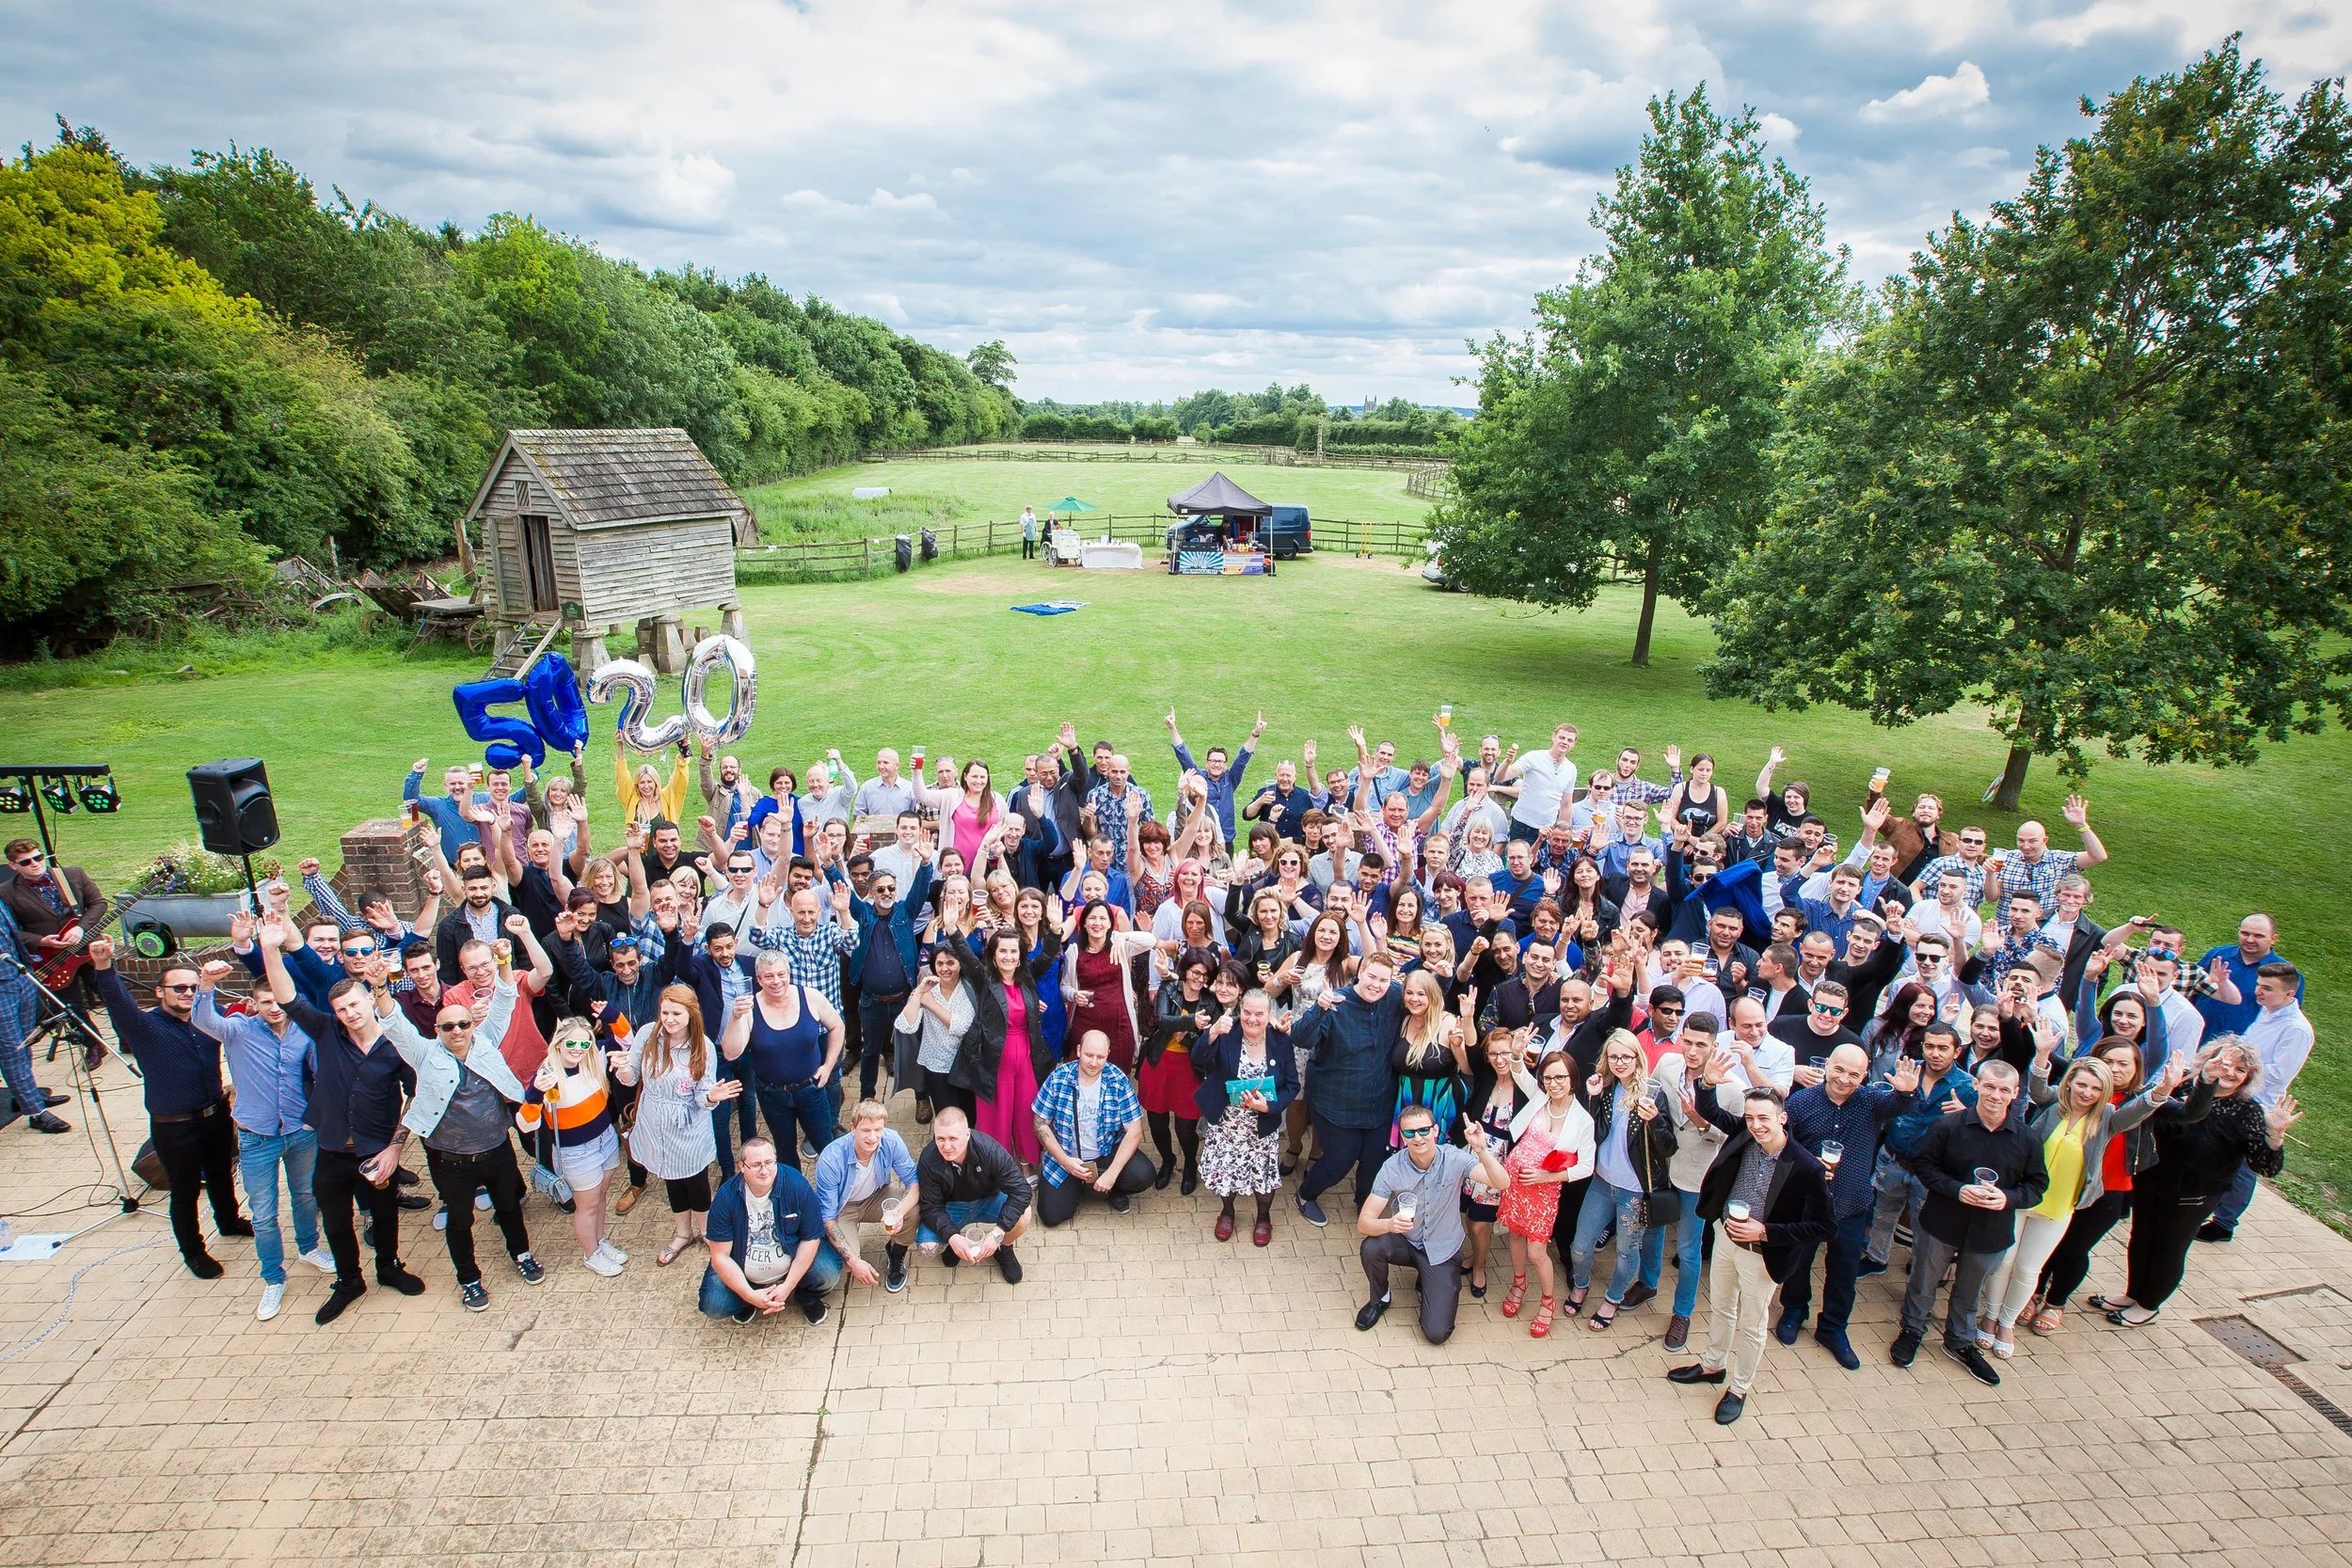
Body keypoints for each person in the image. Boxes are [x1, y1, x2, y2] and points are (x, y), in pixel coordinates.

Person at [252, 924, 428, 1323]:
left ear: (369, 998)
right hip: (331, 1150)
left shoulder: (397, 1042)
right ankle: (349, 1280)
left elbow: (416, 1095)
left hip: (377, 1151)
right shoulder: (327, 1030)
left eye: (354, 1005)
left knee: (384, 1216)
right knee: (335, 1221)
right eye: (342, 1010)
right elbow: (287, 997)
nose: (349, 1014)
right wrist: (269, 949)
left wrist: (395, 1148)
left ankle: (389, 1267)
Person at [1976, 1047, 2186, 1355]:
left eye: (2096, 1088)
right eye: (2082, 1084)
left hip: (2058, 1208)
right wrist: (2044, 1052)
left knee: (2027, 1269)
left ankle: (2007, 1323)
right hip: (2022, 1198)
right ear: (2070, 1082)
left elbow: (2139, 1110)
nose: (2087, 1092)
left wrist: (2165, 1088)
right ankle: (1990, 1318)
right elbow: (2036, 1086)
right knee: (2003, 1262)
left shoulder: (2107, 1119)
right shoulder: (2053, 1104)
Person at [1667, 1078, 1835, 1425]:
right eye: (1750, 1118)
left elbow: (1824, 1227)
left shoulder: (1807, 1167)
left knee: (1753, 1323)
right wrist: (1707, 1083)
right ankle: (1714, 1365)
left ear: (1782, 1119)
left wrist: (1766, 1231)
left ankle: (1739, 1388)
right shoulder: (1745, 1135)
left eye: (1764, 1119)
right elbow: (1709, 1110)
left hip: (1761, 1253)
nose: (1756, 1125)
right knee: (1720, 1306)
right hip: (1725, 1237)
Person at [86, 939, 249, 1278]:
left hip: (214, 1114)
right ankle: (193, 1250)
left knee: (222, 1174)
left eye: (193, 987)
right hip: (175, 1125)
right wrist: (104, 966)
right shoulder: (145, 1027)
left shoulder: (205, 1021)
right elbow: (118, 1003)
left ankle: (229, 1221)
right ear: (160, 992)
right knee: (185, 1189)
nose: (187, 993)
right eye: (178, 988)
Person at [2106, 1038, 2295, 1326]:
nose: (2229, 1072)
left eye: (2240, 1069)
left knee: (2169, 1246)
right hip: (2153, 1178)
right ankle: (2133, 1294)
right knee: (2141, 1237)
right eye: (2224, 1063)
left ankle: (2149, 1305)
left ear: (2249, 1077)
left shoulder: (2247, 1111)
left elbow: (2264, 1166)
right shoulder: (2184, 1087)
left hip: (2194, 1193)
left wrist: (2274, 1135)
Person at [1891, 1060, 2047, 1386]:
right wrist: (1958, 1190)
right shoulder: (1948, 1126)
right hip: (1943, 1219)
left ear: (2015, 1094)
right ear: (1976, 1085)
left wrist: (2008, 1198)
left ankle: (1959, 1341)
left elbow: (2037, 1185)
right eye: (1989, 1086)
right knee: (1923, 1280)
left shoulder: (2026, 1138)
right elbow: (1925, 1166)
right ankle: (1912, 1330)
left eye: (2004, 1090)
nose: (1995, 1095)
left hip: (1991, 1228)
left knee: (1970, 1290)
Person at [393, 990, 544, 1311]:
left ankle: (522, 1255)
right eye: (448, 1027)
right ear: (437, 1031)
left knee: (510, 1208)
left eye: (463, 1024)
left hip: (497, 1149)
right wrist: (379, 990)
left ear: (473, 1025)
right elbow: (396, 1026)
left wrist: (504, 962)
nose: (457, 1031)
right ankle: (469, 1279)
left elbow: (505, 1002)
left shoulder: (485, 1042)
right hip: (453, 1161)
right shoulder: (425, 1054)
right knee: (459, 1221)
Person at [1774, 1042, 1920, 1370]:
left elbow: (1901, 1105)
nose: (1844, 1079)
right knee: (1798, 1262)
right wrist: (1807, 1162)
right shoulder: (1801, 1102)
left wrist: (1909, 1092)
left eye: (1854, 1074)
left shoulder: (1870, 1102)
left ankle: (1833, 1328)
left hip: (1852, 1202)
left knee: (1843, 1272)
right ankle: (1794, 1310)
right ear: (1827, 1064)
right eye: (1839, 1069)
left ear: (1865, 1075)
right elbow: (1784, 1147)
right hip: (1807, 1202)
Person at [1354, 1103, 1511, 1343]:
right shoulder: (1392, 1168)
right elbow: (1364, 1223)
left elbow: (1502, 1182)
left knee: (1437, 1334)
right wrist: (1390, 1224)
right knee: (1371, 1247)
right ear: (1402, 1136)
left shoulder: (1455, 1158)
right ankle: (1381, 1298)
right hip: (1406, 1240)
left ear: (1436, 1131)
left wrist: (1480, 1149)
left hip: (1442, 1250)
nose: (1418, 1138)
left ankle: (1429, 1284)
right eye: (1409, 1133)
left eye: (1424, 1130)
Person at [615, 984, 738, 1269]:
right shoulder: (647, 1034)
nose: (669, 1019)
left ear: (690, 1014)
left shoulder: (703, 1046)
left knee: (695, 1180)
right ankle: (683, 1233)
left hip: (688, 1125)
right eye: (665, 1012)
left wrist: (711, 1097)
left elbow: (701, 1095)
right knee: (670, 1177)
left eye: (676, 1014)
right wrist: (622, 1068)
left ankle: (706, 1232)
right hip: (654, 1120)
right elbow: (632, 1076)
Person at [1565, 1029, 1677, 1331]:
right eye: (1613, 1057)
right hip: (1602, 1183)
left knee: (1627, 1251)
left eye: (1626, 1056)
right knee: (1580, 1245)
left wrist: (1654, 1121)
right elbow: (1593, 1133)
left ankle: (1613, 1298)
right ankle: (1581, 1283)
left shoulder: (1652, 1094)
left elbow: (1669, 1147)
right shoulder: (1607, 1088)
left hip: (1634, 1191)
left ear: (1637, 1058)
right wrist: (1592, 1097)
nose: (1620, 1062)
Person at [1289, 952, 1409, 1227]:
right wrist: (1318, 1009)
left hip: (1378, 1100)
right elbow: (1301, 1038)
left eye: (1383, 980)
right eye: (1371, 976)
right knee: (1339, 1161)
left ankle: (1364, 1204)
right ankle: (1305, 1195)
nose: (1376, 985)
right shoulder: (1336, 1002)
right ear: (1360, 973)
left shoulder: (1393, 996)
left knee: (1374, 1160)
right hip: (1335, 1100)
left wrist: (1447, 979)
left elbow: (1425, 1000)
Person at [2199, 960, 2312, 1243]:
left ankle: (2224, 1224)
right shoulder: (2268, 1011)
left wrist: (2239, 1065)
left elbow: (2279, 1073)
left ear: (2289, 995)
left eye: (2268, 989)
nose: (2259, 992)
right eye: (2259, 985)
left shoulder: (2296, 1029)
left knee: (2242, 1168)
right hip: (2235, 1094)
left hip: (2258, 1104)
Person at [516, 1020, 629, 1275]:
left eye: (584, 1042)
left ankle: (599, 1243)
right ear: (558, 1043)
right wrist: (534, 1095)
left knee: (600, 1196)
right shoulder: (548, 1076)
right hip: (576, 1151)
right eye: (571, 1042)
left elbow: (626, 1039)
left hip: (605, 1139)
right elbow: (525, 1124)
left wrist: (611, 1014)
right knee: (586, 1205)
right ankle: (591, 1254)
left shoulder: (593, 1059)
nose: (578, 1048)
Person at [1496, 1049, 1595, 1337]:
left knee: (1537, 1249)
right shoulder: (1541, 1098)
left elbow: (1587, 1166)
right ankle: (1518, 1282)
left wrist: (1546, 1175)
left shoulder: (1582, 1120)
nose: (1553, 1083)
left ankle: (1548, 1301)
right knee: (1514, 1233)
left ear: (1572, 1079)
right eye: (1548, 1078)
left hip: (1545, 1189)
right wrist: (1516, 1054)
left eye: (1560, 1077)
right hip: (1515, 1182)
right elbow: (1519, 1072)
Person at [1191, 992, 1299, 1244]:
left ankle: (1263, 1218)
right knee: (1226, 1173)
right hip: (1227, 1123)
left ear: (1269, 1015)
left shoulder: (1280, 1041)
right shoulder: (1227, 1032)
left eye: (1259, 1014)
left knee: (1263, 1178)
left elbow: (1292, 1085)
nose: (1252, 1019)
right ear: (1241, 1010)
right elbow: (1197, 1059)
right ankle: (1228, 1212)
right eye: (1247, 1012)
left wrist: (1270, 1107)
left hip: (1261, 1126)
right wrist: (1213, 1032)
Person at [722, 952, 846, 1169]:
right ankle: (794, 1196)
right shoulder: (750, 1008)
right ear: (758, 980)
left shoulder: (810, 997)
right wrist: (735, 1017)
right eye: (768, 976)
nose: (776, 981)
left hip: (811, 1089)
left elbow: (837, 1026)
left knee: (826, 1146)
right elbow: (731, 1053)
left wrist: (828, 1066)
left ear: (789, 974)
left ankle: (835, 1195)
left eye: (781, 974)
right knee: (785, 1151)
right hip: (772, 1094)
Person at [699, 1136, 838, 1324]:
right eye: (756, 1165)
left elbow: (811, 1238)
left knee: (828, 1272)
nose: (764, 1171)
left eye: (769, 1162)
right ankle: (748, 1301)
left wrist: (787, 1286)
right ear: (742, 1166)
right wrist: (749, 1295)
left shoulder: (796, 1184)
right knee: (713, 1305)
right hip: (743, 1266)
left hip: (791, 1257)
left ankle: (806, 1297)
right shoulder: (726, 1197)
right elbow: (720, 1256)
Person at [1032, 1028, 1154, 1227]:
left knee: (1144, 1174)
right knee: (1051, 1216)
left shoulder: (1118, 1080)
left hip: (1106, 1154)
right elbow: (1039, 1123)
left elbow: (1135, 1131)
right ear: (1079, 1050)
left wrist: (1112, 1174)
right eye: (1089, 1055)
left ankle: (1113, 1189)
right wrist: (1065, 1161)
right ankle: (1079, 1187)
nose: (1094, 1062)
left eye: (1100, 1057)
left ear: (1108, 1055)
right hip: (1067, 1157)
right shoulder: (1058, 1077)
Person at [958, 929, 1054, 1170]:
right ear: (993, 955)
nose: (1008, 956)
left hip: (1026, 1057)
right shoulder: (984, 979)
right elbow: (966, 956)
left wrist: (1055, 930)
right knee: (996, 1115)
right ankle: (996, 1165)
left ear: (1020, 957)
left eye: (1014, 951)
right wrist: (951, 930)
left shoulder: (1028, 978)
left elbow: (1048, 955)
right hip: (994, 1059)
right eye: (1002, 951)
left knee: (1026, 1112)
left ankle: (1027, 1160)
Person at [813, 1101, 922, 1294]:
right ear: (853, 1128)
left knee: (913, 1208)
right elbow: (826, 1216)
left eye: (878, 1129)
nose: (873, 1137)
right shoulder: (831, 1159)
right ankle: (825, 1249)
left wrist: (899, 1212)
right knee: (846, 1264)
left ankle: (896, 1254)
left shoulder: (891, 1140)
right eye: (866, 1130)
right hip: (843, 1207)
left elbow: (914, 1182)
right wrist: (854, 1261)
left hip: (877, 1195)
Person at [914, 1108, 1034, 1284]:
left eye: (953, 1139)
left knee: (1025, 1214)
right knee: (928, 1247)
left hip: (989, 1200)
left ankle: (1004, 1248)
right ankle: (952, 1244)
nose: (946, 1147)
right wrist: (952, 1236)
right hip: (952, 1207)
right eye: (940, 1139)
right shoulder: (928, 1159)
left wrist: (997, 1233)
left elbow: (1022, 1190)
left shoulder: (989, 1150)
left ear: (967, 1134)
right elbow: (930, 1206)